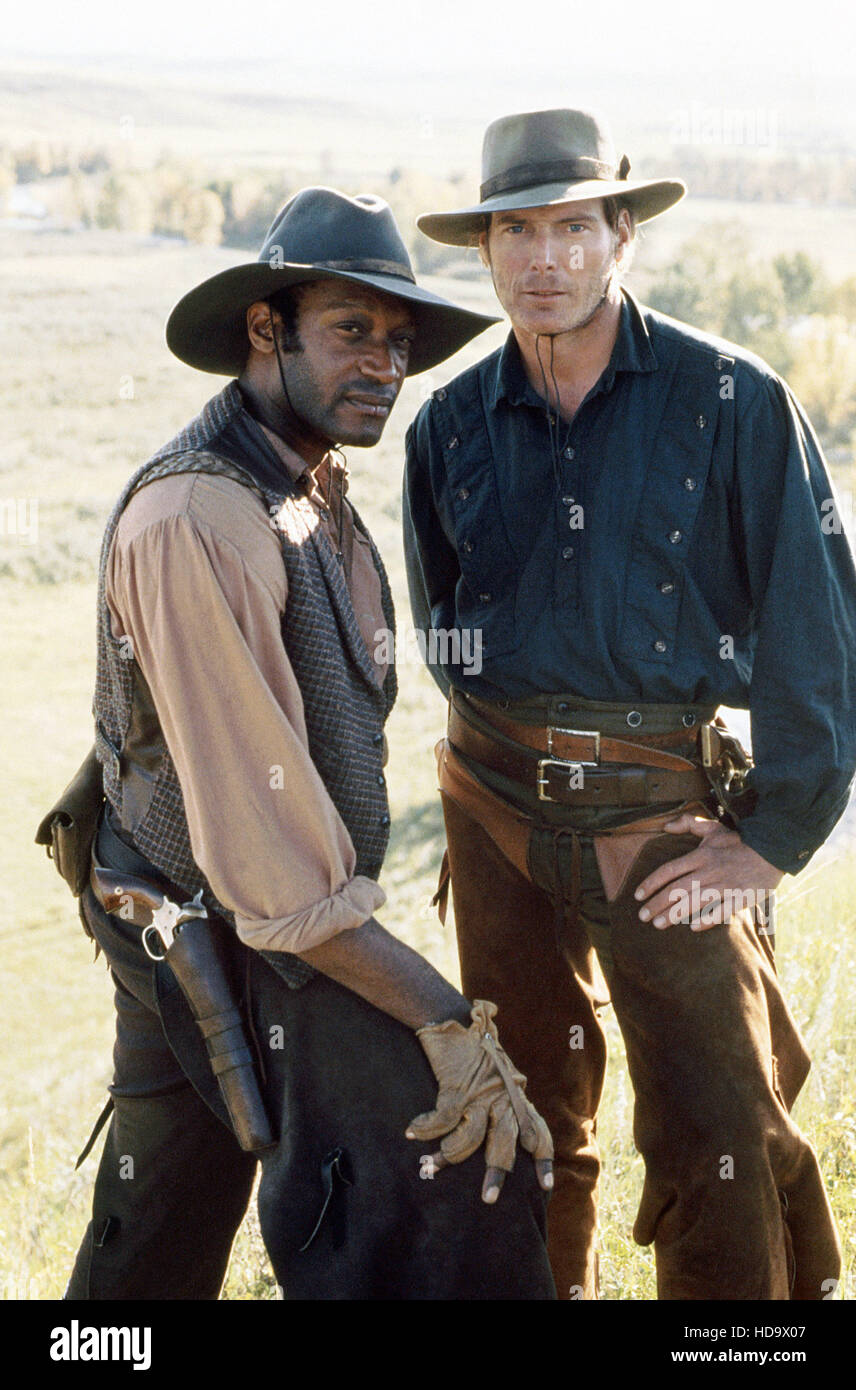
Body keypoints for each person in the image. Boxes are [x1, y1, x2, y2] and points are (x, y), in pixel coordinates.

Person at [63, 186, 555, 1301]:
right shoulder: (198, 517)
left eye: (398, 341)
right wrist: (441, 1011)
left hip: (254, 920)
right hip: (242, 929)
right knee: (460, 1181)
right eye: (349, 331)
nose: (384, 364)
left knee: (154, 1241)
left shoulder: (310, 485)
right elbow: (276, 874)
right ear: (264, 328)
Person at [404, 108, 856, 1301]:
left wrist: (770, 836)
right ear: (486, 249)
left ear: (620, 238)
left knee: (716, 1127)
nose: (541, 258)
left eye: (569, 228)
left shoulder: (733, 401)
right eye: (514, 231)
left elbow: (819, 623)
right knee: (510, 1115)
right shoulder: (447, 425)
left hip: (659, 819)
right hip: (490, 811)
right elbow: (441, 626)